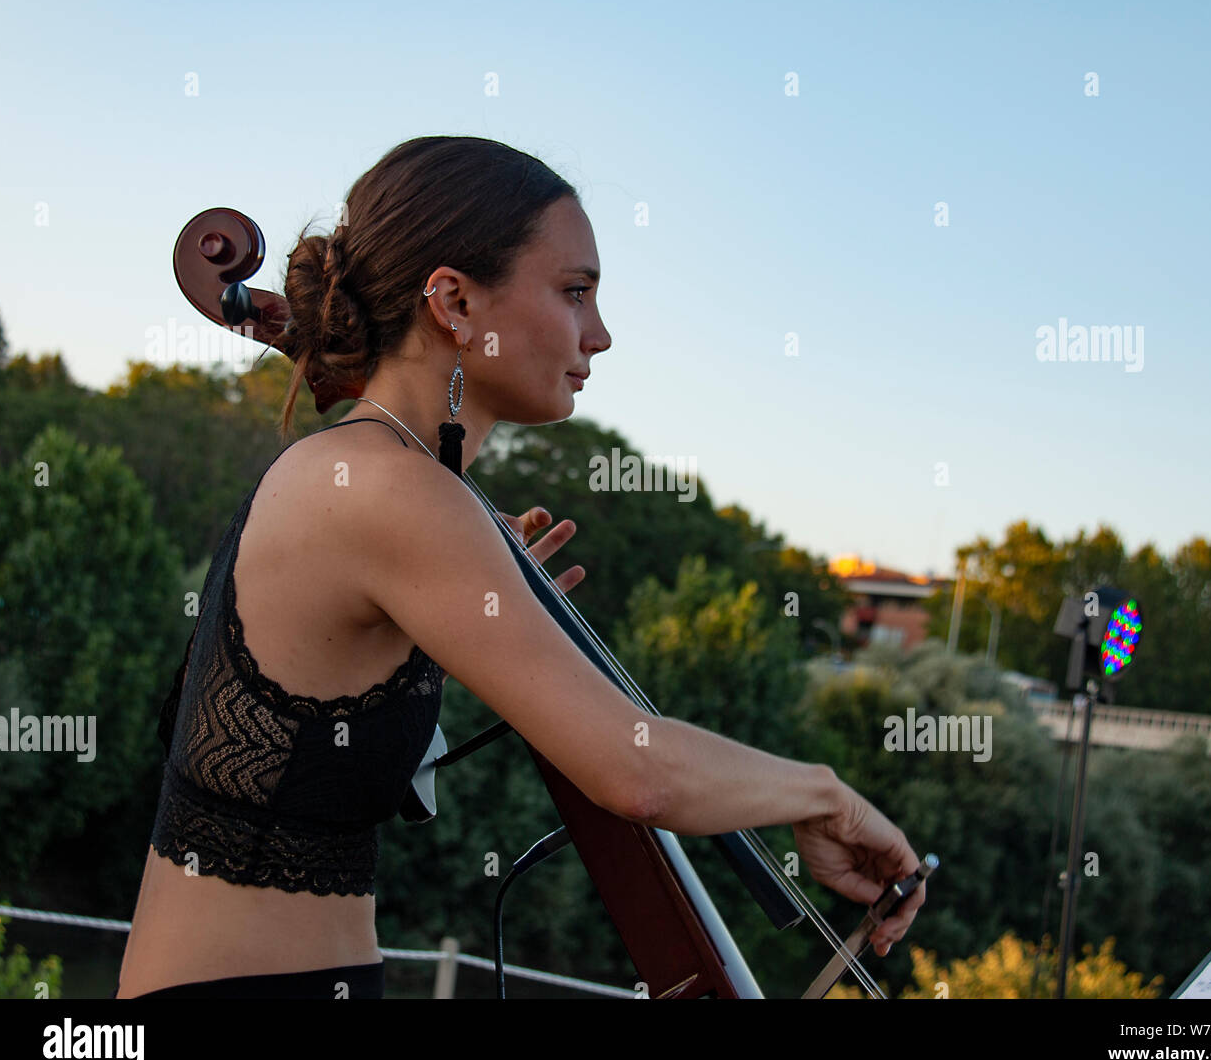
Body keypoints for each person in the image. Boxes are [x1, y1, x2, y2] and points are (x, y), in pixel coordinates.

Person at [114, 136, 924, 999]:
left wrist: (475, 605)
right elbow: (636, 770)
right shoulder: (387, 490)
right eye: (576, 291)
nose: (600, 335)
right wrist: (825, 796)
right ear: (455, 302)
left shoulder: (386, 484)